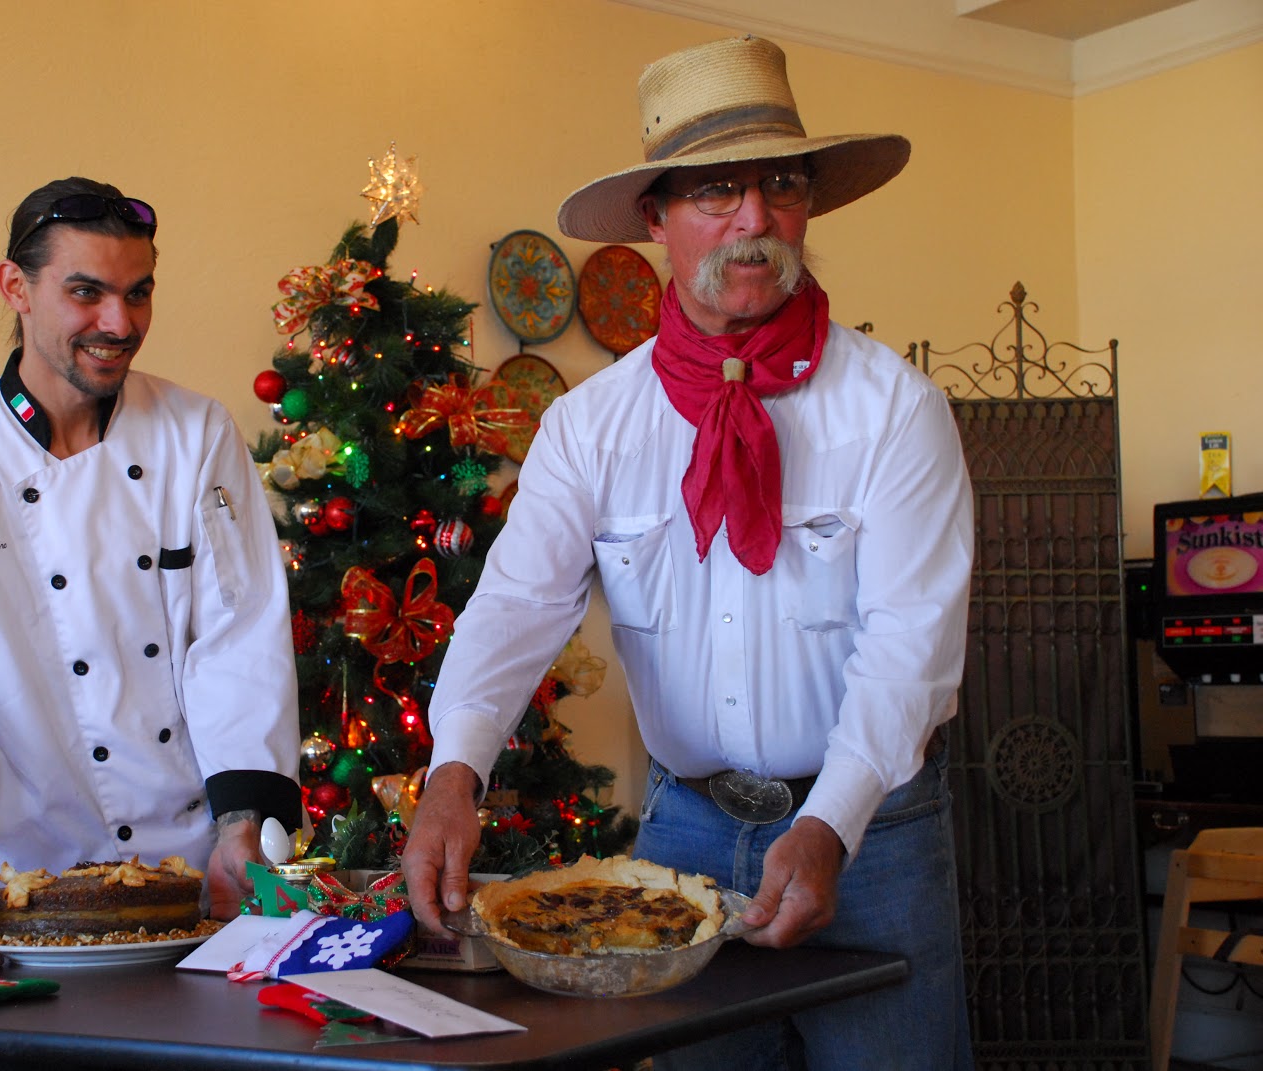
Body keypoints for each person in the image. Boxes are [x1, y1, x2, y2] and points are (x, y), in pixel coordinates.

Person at [403, 35, 975, 1070]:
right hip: (686, 838)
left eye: (780, 185)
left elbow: (911, 648)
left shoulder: (896, 412)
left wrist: (831, 821)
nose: (752, 219)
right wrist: (454, 773)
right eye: (716, 190)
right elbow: (515, 608)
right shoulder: (589, 428)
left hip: (875, 836)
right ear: (656, 219)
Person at [0, 177, 301, 970]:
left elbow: (238, 639)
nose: (119, 323)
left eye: (138, 293)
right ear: (15, 287)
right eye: (86, 292)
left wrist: (242, 826)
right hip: (28, 906)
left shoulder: (197, 435)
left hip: (199, 891)